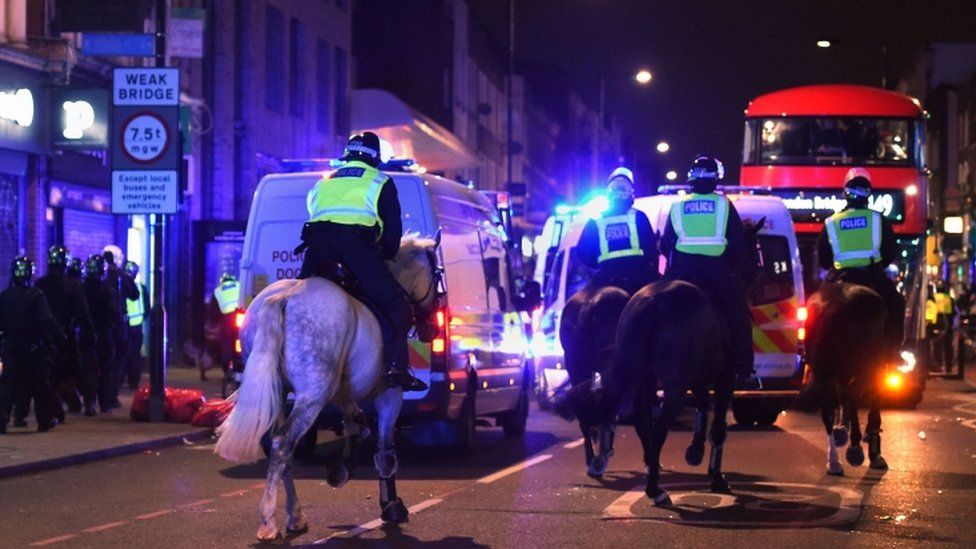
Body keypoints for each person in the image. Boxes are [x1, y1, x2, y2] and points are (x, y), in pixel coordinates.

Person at [296, 131, 426, 391]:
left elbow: (314, 212)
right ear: (374, 157)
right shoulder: (380, 181)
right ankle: (396, 368)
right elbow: (391, 236)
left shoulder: (323, 182)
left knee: (295, 300)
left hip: (317, 251)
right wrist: (384, 253)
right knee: (395, 304)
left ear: (348, 154)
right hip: (357, 251)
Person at [660, 155, 755, 381]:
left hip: (681, 272)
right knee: (738, 314)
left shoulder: (677, 206)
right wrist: (729, 266)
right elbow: (737, 244)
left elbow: (666, 244)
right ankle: (744, 366)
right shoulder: (724, 205)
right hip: (716, 271)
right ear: (715, 180)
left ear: (691, 180)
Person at [818, 167, 905, 356]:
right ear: (868, 195)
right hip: (872, 275)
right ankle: (893, 353)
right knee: (897, 303)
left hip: (840, 277)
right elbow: (890, 251)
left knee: (815, 311)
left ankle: (811, 357)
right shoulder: (878, 219)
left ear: (845, 194)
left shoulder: (831, 222)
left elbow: (824, 260)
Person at [0, 256, 66, 433]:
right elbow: (47, 320)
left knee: (7, 385)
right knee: (40, 385)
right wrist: (60, 338)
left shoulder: (5, 296)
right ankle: (44, 420)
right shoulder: (36, 296)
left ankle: (2, 419)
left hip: (11, 346)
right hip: (33, 347)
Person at [34, 245, 97, 418]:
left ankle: (61, 403)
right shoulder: (73, 285)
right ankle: (72, 401)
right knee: (73, 370)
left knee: (50, 374)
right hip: (66, 337)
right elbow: (82, 312)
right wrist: (88, 332)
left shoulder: (40, 284)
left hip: (45, 337)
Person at [577, 167, 660, 295]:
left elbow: (583, 253)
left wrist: (598, 264)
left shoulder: (595, 220)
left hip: (607, 276)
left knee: (584, 303)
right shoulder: (639, 217)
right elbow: (651, 248)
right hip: (639, 275)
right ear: (631, 193)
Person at [82, 254, 122, 412]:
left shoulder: (81, 288)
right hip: (104, 334)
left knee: (88, 369)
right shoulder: (107, 290)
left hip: (86, 334)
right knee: (105, 370)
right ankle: (105, 403)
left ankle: (89, 403)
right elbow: (114, 312)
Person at [103, 246, 138, 403]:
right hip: (119, 325)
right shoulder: (122, 277)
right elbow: (134, 295)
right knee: (118, 360)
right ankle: (111, 395)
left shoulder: (98, 277)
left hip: (101, 326)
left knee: (103, 361)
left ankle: (102, 396)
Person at [203, 273, 239, 381]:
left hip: (227, 319)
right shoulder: (239, 285)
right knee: (241, 344)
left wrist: (214, 322)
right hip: (242, 316)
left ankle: (228, 371)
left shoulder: (218, 290)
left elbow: (212, 311)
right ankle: (240, 368)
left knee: (226, 344)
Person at [123, 261, 149, 389]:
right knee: (135, 355)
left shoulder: (119, 285)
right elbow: (147, 309)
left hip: (124, 325)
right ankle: (133, 382)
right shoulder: (140, 288)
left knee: (123, 354)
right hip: (136, 326)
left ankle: (122, 379)